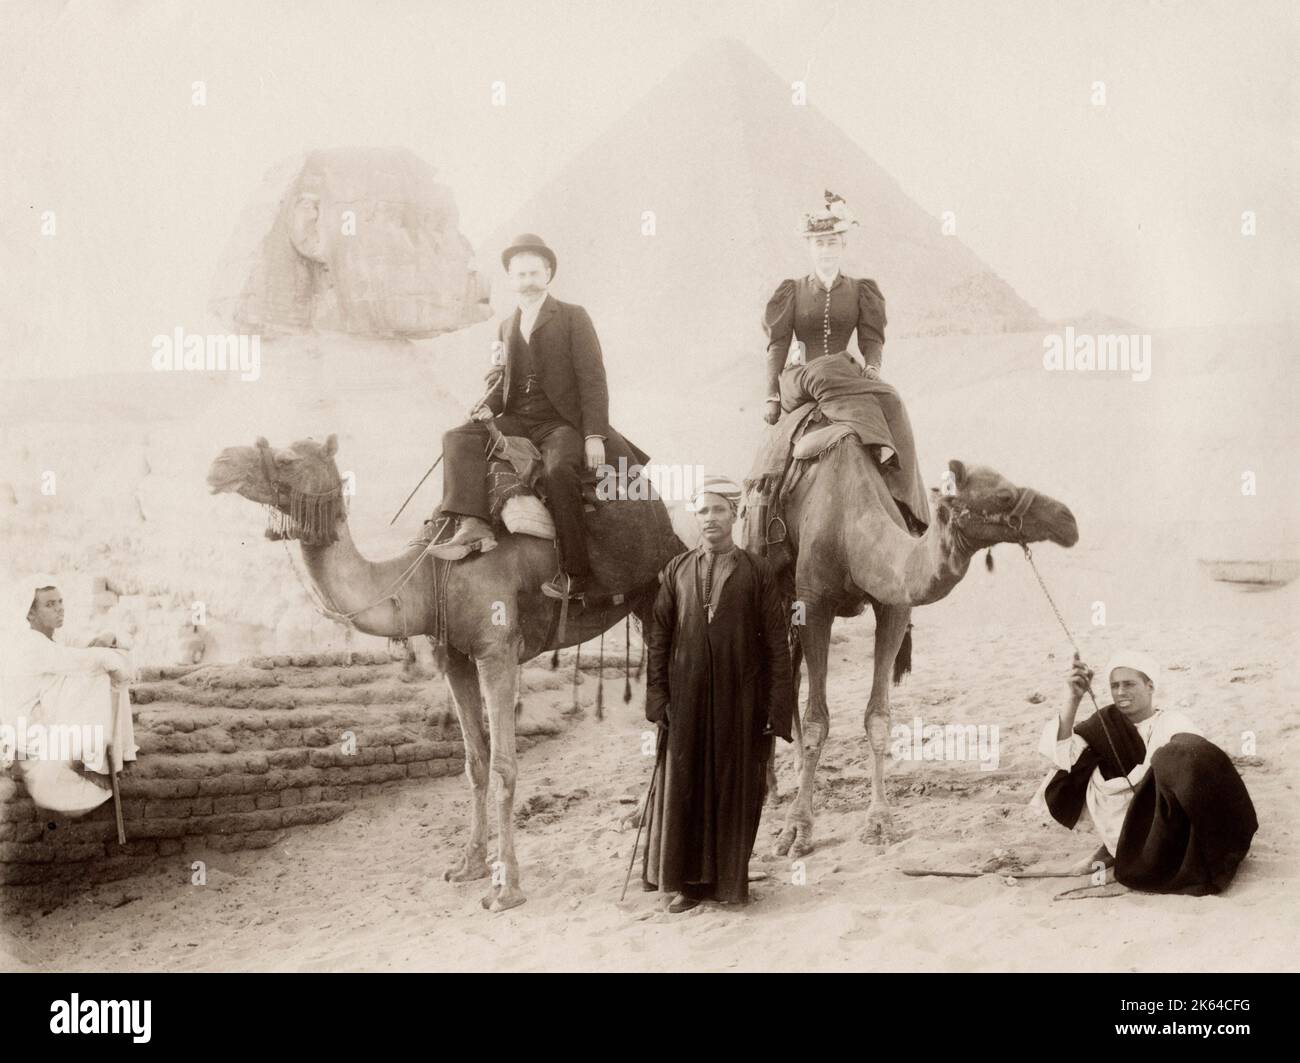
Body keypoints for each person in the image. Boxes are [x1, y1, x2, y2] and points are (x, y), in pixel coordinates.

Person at [429, 233, 649, 602]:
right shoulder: (504, 327)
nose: (527, 282)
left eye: (534, 274)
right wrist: (487, 405)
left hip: (560, 422)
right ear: (510, 280)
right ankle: (475, 525)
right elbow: (499, 380)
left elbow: (593, 378)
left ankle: (575, 574)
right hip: (517, 417)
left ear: (548, 274)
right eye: (520, 276)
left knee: (558, 471)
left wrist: (594, 435)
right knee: (457, 437)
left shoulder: (573, 317)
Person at [641, 476, 795, 912]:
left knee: (734, 788)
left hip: (740, 700)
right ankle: (686, 886)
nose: (711, 518)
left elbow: (776, 647)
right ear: (696, 517)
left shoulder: (757, 571)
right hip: (686, 700)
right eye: (703, 511)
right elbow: (660, 637)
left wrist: (776, 707)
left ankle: (728, 884)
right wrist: (658, 698)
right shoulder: (676, 570)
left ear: (735, 515)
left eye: (719, 510)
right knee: (686, 786)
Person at [760, 191, 929, 529]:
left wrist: (872, 368)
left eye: (832, 242)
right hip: (802, 379)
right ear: (809, 247)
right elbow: (778, 345)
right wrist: (772, 394)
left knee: (891, 398)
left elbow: (871, 339)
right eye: (819, 243)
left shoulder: (860, 290)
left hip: (843, 377)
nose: (825, 249)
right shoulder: (791, 291)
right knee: (825, 371)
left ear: (843, 246)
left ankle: (907, 500)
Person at [1033, 649, 1257, 894]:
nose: (1120, 692)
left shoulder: (1172, 721)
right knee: (1076, 766)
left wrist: (1160, 770)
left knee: (1177, 758)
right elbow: (1062, 754)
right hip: (1116, 809)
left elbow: (1200, 763)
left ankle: (1137, 849)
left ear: (1150, 686)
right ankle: (1112, 847)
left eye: (1129, 684)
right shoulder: (1105, 723)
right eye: (1114, 685)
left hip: (1160, 813)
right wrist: (1073, 699)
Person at [0, 576, 137, 817]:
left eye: (60, 601)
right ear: (30, 614)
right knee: (96, 674)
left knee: (102, 665)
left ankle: (114, 754)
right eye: (50, 604)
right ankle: (91, 762)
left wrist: (109, 637)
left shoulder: (55, 635)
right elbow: (79, 660)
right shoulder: (29, 643)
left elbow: (89, 645)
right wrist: (110, 657)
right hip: (28, 725)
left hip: (46, 711)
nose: (59, 608)